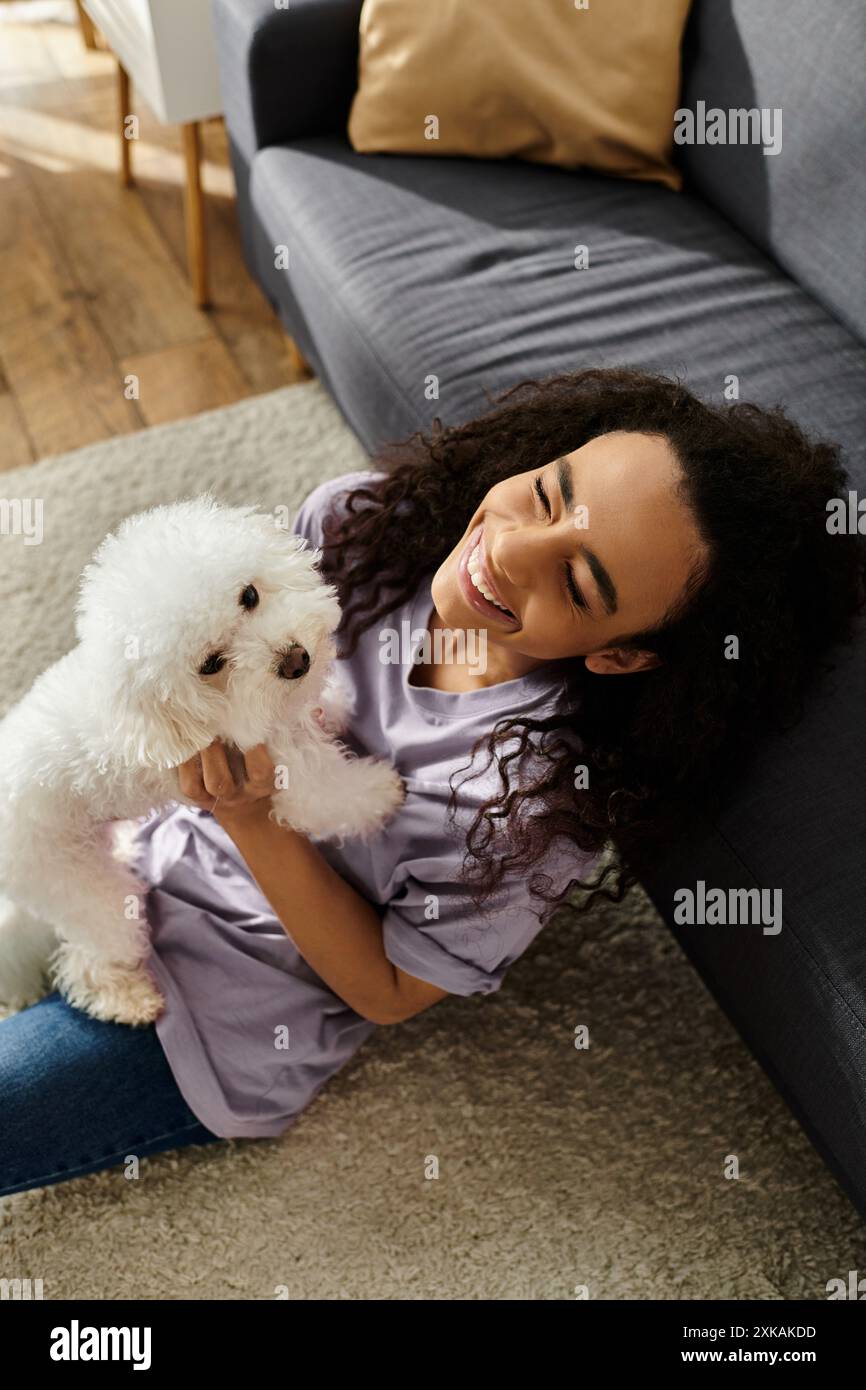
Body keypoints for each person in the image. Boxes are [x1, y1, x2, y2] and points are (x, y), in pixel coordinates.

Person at [1, 367, 862, 1198]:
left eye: (576, 580)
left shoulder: (530, 811)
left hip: (208, 1022)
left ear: (623, 654)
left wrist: (255, 822)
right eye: (551, 494)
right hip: (116, 857)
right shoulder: (367, 528)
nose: (512, 550)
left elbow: (384, 992)